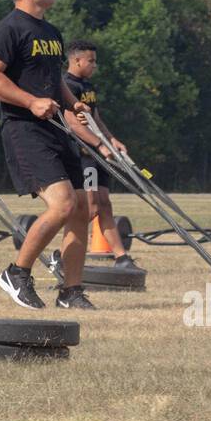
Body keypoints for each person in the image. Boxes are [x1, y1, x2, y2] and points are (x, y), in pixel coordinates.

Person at [0, 0, 95, 311]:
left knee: (80, 209)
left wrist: (73, 104)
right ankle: (17, 273)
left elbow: (53, 78)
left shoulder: (51, 32)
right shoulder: (8, 29)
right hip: (25, 130)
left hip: (56, 128)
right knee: (62, 204)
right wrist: (31, 102)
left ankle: (71, 292)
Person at [63, 40, 140, 270]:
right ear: (76, 60)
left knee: (104, 204)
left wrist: (112, 140)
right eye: (91, 60)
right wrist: (99, 145)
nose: (95, 65)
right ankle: (62, 251)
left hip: (96, 154)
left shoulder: (88, 87)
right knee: (91, 207)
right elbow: (73, 123)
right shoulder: (67, 87)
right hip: (83, 155)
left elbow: (95, 118)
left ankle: (121, 258)